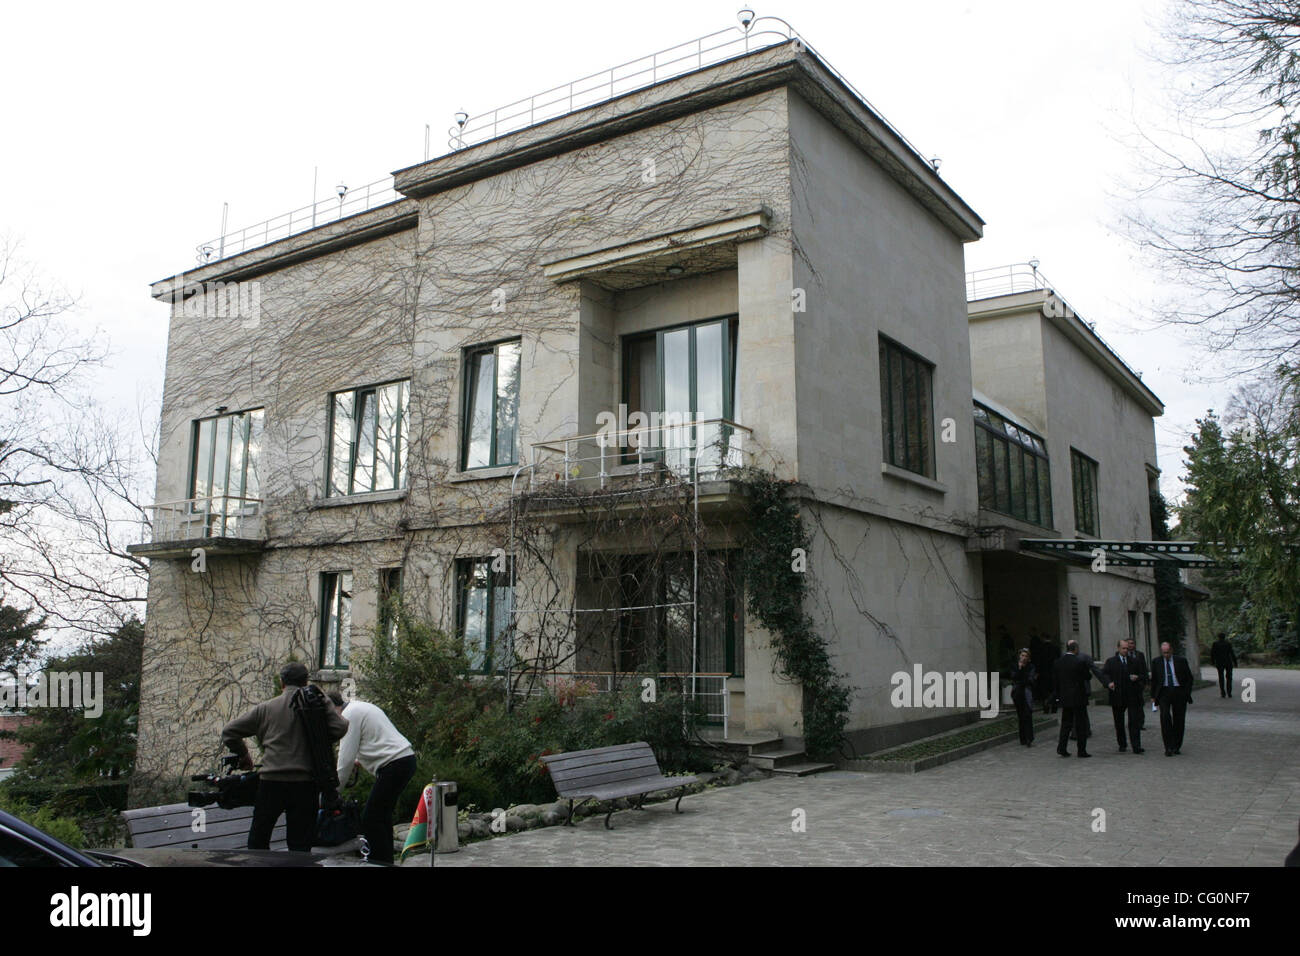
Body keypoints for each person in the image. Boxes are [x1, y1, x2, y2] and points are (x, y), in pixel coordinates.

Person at [221, 662, 349, 851]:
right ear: (306, 682)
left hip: (270, 782)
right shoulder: (315, 705)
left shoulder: (266, 709)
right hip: (305, 784)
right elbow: (340, 727)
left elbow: (229, 732)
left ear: (282, 683)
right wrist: (318, 734)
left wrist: (244, 755)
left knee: (258, 840)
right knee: (300, 845)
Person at [329, 692, 417, 865]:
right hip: (404, 760)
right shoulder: (359, 707)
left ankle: (379, 862)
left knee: (371, 818)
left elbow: (344, 761)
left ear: (332, 709)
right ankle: (386, 861)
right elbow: (372, 740)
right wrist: (360, 759)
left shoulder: (348, 716)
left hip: (395, 764)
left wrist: (332, 794)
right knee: (381, 816)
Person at [1149, 641, 1195, 756]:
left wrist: (1186, 692)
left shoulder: (1181, 661)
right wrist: (1153, 696)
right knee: (1165, 717)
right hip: (1164, 692)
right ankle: (1168, 746)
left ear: (1172, 651)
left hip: (1178, 691)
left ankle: (1176, 745)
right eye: (1164, 653)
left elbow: (1189, 678)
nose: (1166, 655)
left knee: (1179, 719)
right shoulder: (1156, 662)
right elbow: (1154, 680)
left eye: (1168, 653)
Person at [1102, 639, 1146, 753]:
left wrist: (1138, 678)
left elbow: (1143, 674)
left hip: (1132, 695)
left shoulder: (1134, 661)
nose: (1126, 650)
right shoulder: (1111, 661)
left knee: (1134, 722)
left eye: (1127, 648)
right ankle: (1122, 744)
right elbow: (1104, 674)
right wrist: (1109, 683)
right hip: (1117, 695)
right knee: (1119, 722)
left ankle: (1136, 745)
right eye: (1124, 648)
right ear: (1118, 648)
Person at [1053, 640, 1092, 757]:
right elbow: (1087, 676)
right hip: (1079, 697)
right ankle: (1081, 750)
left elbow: (1055, 681)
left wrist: (1058, 695)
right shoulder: (1079, 662)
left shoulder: (1058, 662)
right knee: (1080, 724)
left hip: (1065, 697)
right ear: (1075, 649)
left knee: (1066, 723)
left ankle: (1062, 747)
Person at [1009, 648, 1037, 746]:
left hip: (1027, 692)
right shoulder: (1015, 666)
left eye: (1026, 656)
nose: (1024, 658)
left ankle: (1029, 738)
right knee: (1021, 716)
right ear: (1019, 656)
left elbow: (1030, 680)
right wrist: (1020, 670)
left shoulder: (1031, 666)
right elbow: (1013, 677)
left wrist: (1021, 678)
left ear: (1028, 658)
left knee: (1028, 714)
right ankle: (1023, 738)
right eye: (1022, 655)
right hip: (1017, 693)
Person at [1210, 632, 1238, 699]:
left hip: (1219, 663)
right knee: (1229, 677)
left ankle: (1223, 692)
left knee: (1221, 677)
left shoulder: (1215, 644)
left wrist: (1213, 662)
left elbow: (1212, 653)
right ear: (1224, 637)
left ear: (1218, 637)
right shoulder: (1228, 644)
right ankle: (1229, 692)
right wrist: (1235, 662)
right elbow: (1232, 653)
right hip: (1228, 662)